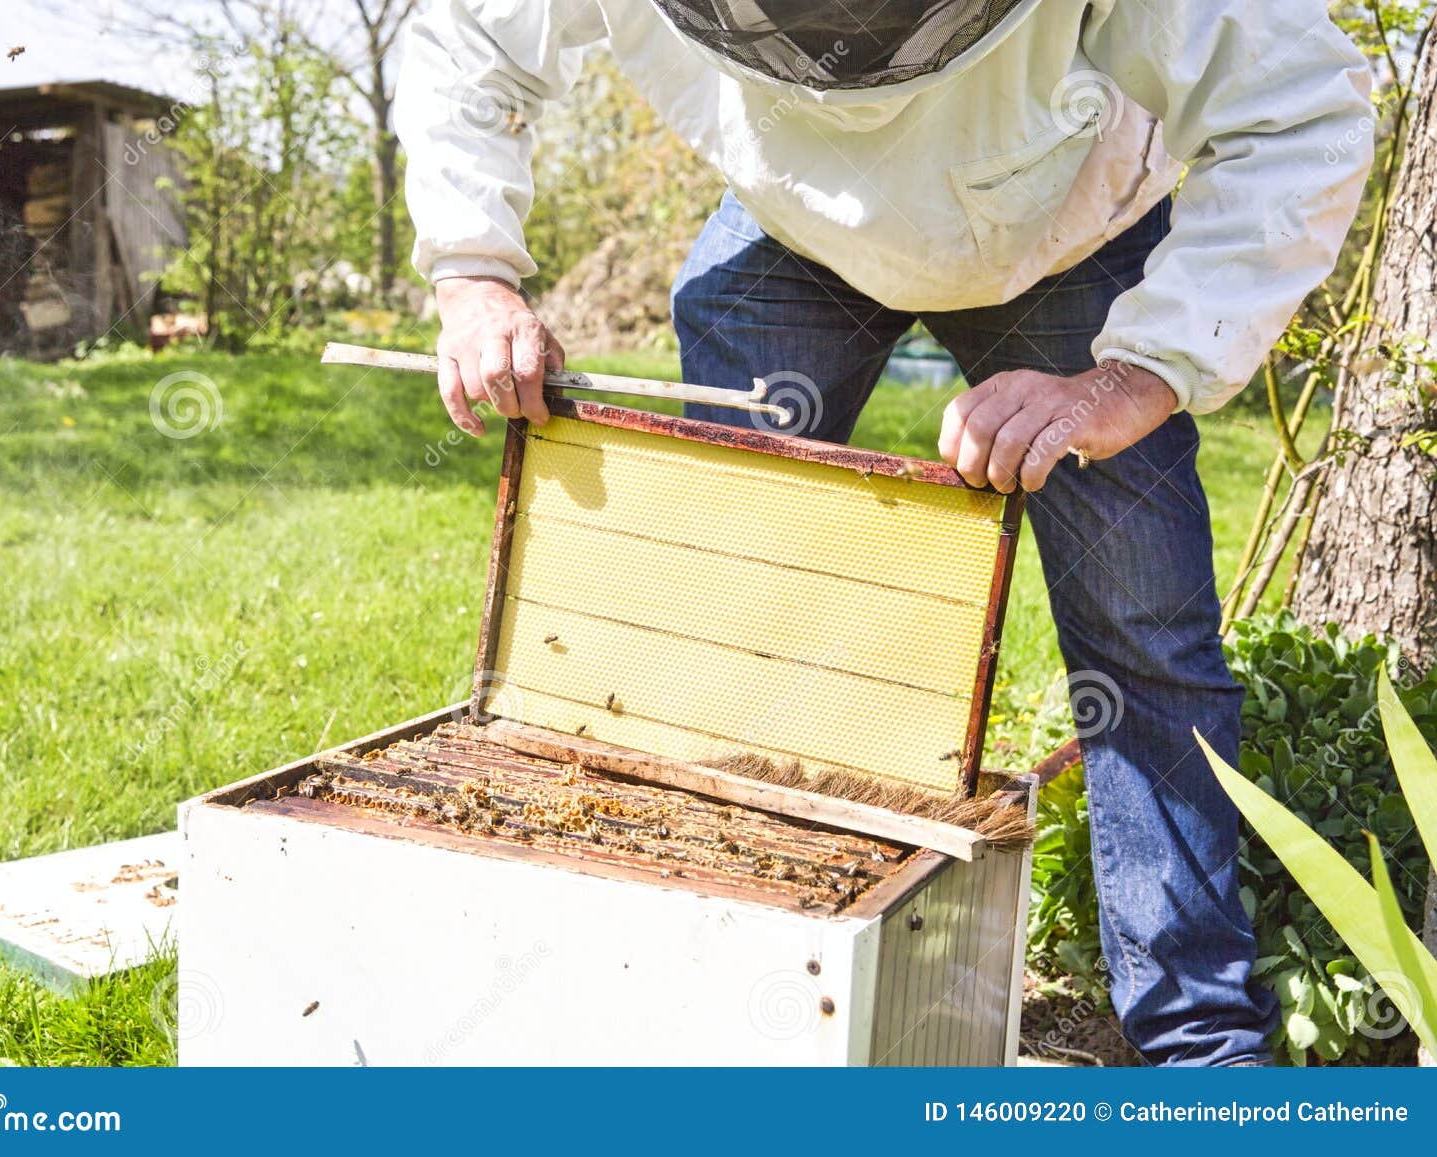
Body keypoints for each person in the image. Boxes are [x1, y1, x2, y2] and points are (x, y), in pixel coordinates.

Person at [395, 0, 1375, 1065]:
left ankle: (1204, 1046)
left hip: (1066, 232)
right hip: (791, 231)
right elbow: (468, 32)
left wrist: (1134, 373)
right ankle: (735, 955)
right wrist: (473, 269)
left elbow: (1303, 113)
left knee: (1143, 632)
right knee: (720, 598)